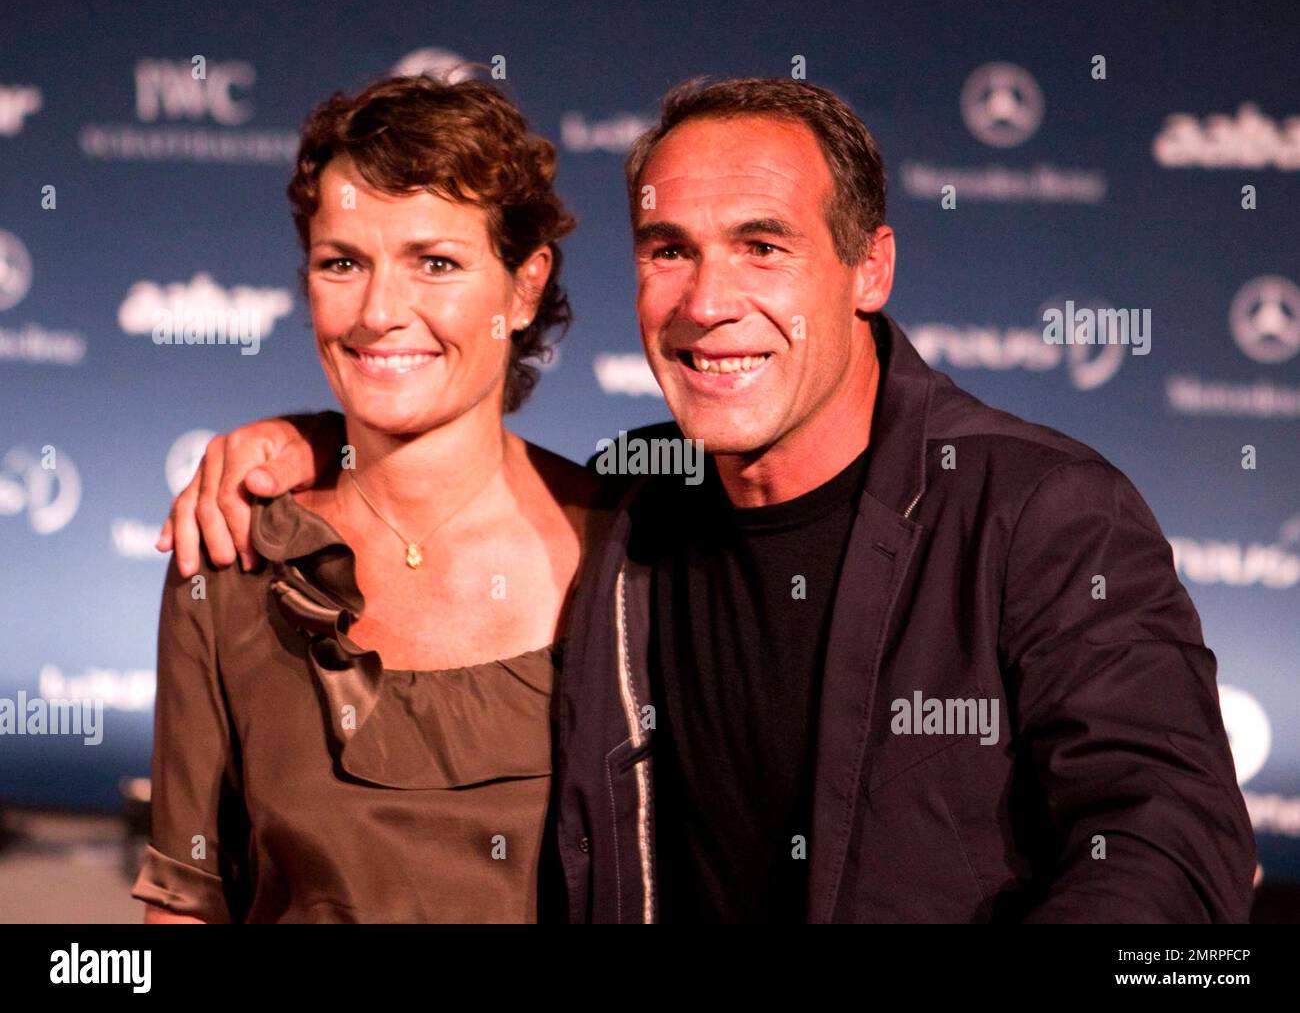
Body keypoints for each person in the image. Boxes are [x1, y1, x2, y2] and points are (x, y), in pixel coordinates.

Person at [161, 78, 1257, 924]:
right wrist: (302, 441)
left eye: (761, 248)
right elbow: (435, 444)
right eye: (668, 251)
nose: (708, 302)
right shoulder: (640, 507)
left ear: (869, 269)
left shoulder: (1041, 512)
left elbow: (1173, 846)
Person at [134, 73, 609, 923]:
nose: (380, 312)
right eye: (343, 263)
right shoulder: (233, 552)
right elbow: (186, 906)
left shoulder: (627, 558)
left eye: (435, 263)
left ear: (525, 285)